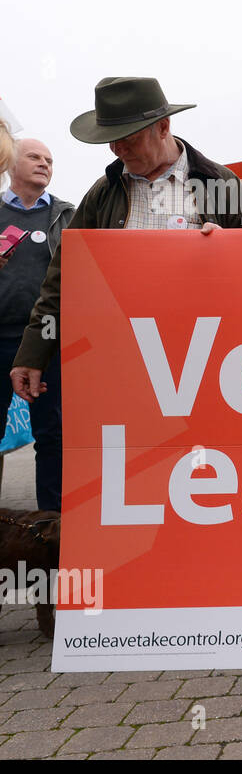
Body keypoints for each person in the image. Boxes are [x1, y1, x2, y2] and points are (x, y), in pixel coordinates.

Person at [10, 77, 242, 405]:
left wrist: (227, 249)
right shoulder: (104, 193)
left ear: (163, 127)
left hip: (210, 355)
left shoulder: (220, 184)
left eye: (128, 139)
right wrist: (33, 352)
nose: (118, 150)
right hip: (123, 357)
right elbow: (62, 280)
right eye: (111, 141)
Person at [0, 139, 75, 510]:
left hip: (49, 339)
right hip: (0, 337)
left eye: (49, 159)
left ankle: (52, 524)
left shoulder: (67, 215)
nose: (44, 163)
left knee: (53, 434)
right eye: (34, 157)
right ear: (11, 163)